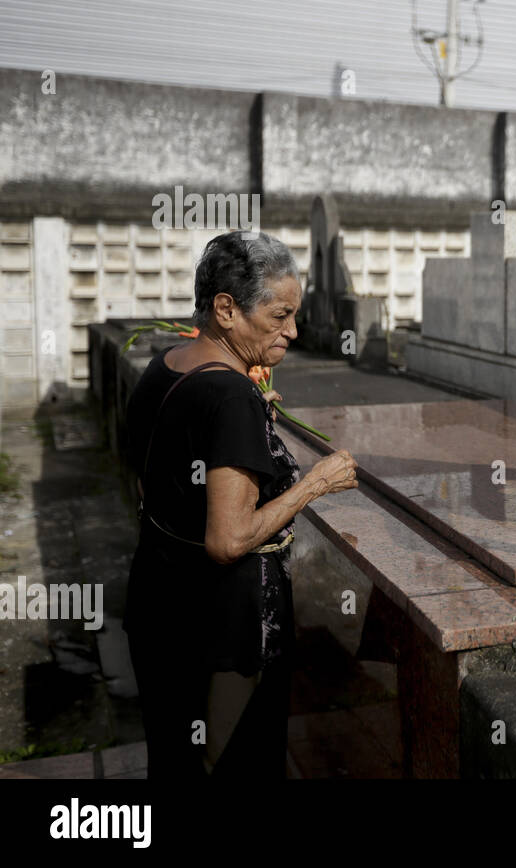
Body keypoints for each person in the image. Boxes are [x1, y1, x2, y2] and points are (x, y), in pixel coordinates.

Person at [123, 231, 358, 778]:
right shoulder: (230, 396)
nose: (292, 332)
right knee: (236, 762)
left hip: (157, 607)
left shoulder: (167, 366)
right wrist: (315, 483)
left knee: (174, 757)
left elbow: (152, 481)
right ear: (226, 310)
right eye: (279, 316)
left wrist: (247, 421)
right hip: (220, 629)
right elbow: (227, 541)